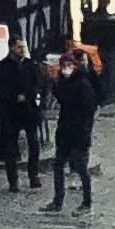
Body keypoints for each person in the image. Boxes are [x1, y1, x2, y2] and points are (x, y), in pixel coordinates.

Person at [44, 46, 99, 217]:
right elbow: (62, 98)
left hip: (78, 133)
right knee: (58, 165)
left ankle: (87, 203)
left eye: (69, 65)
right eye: (64, 65)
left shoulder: (83, 84)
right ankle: (57, 200)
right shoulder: (64, 83)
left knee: (82, 169)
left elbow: (88, 110)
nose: (66, 68)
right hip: (65, 132)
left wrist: (83, 129)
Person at [0, 39, 39, 192]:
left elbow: (38, 85)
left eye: (23, 47)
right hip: (10, 112)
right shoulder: (2, 67)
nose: (22, 49)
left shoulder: (31, 65)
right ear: (12, 48)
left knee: (34, 143)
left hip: (29, 110)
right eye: (19, 47)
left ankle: (34, 176)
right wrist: (13, 97)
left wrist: (29, 96)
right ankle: (13, 180)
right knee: (10, 146)